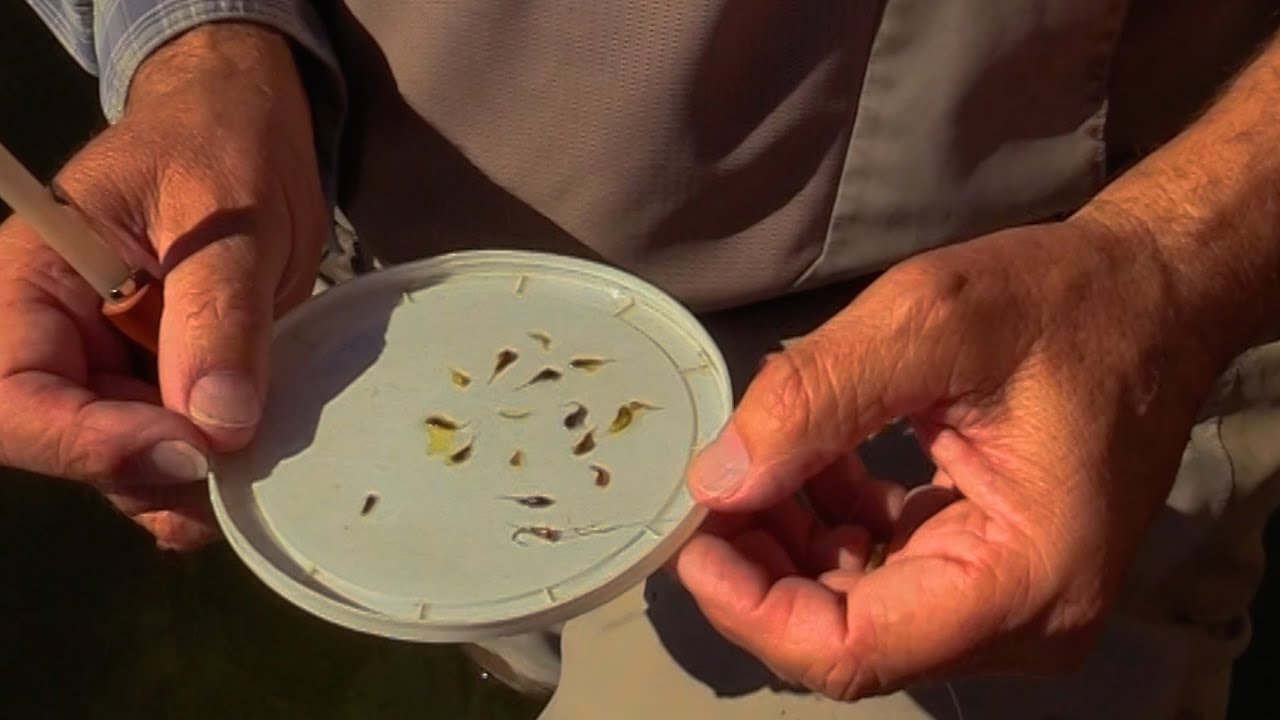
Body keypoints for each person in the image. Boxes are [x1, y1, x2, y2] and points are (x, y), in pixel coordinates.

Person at [9, 1, 1280, 717]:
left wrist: (1168, 267)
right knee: (510, 636)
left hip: (1016, 337)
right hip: (385, 288)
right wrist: (207, 47)